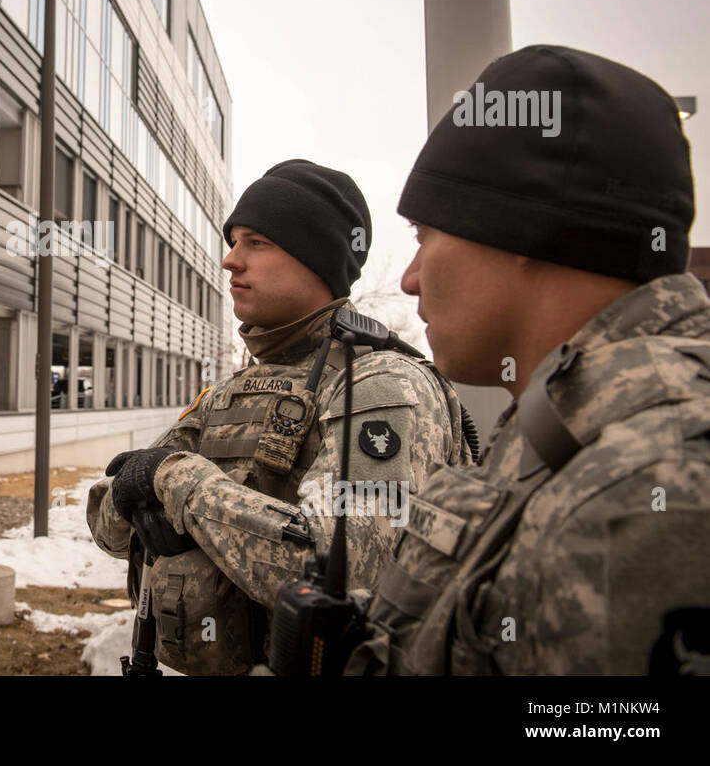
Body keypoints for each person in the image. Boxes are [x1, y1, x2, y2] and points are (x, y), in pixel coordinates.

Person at [349, 45, 710, 675]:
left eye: (424, 236)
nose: (409, 280)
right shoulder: (580, 428)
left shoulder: (652, 479)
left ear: (520, 229)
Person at [87, 159, 476, 674]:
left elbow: (345, 571)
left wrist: (179, 485)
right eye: (233, 241)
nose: (230, 260)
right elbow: (109, 524)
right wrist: (153, 498)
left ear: (315, 260)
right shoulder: (228, 392)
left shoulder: (379, 384)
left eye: (256, 242)